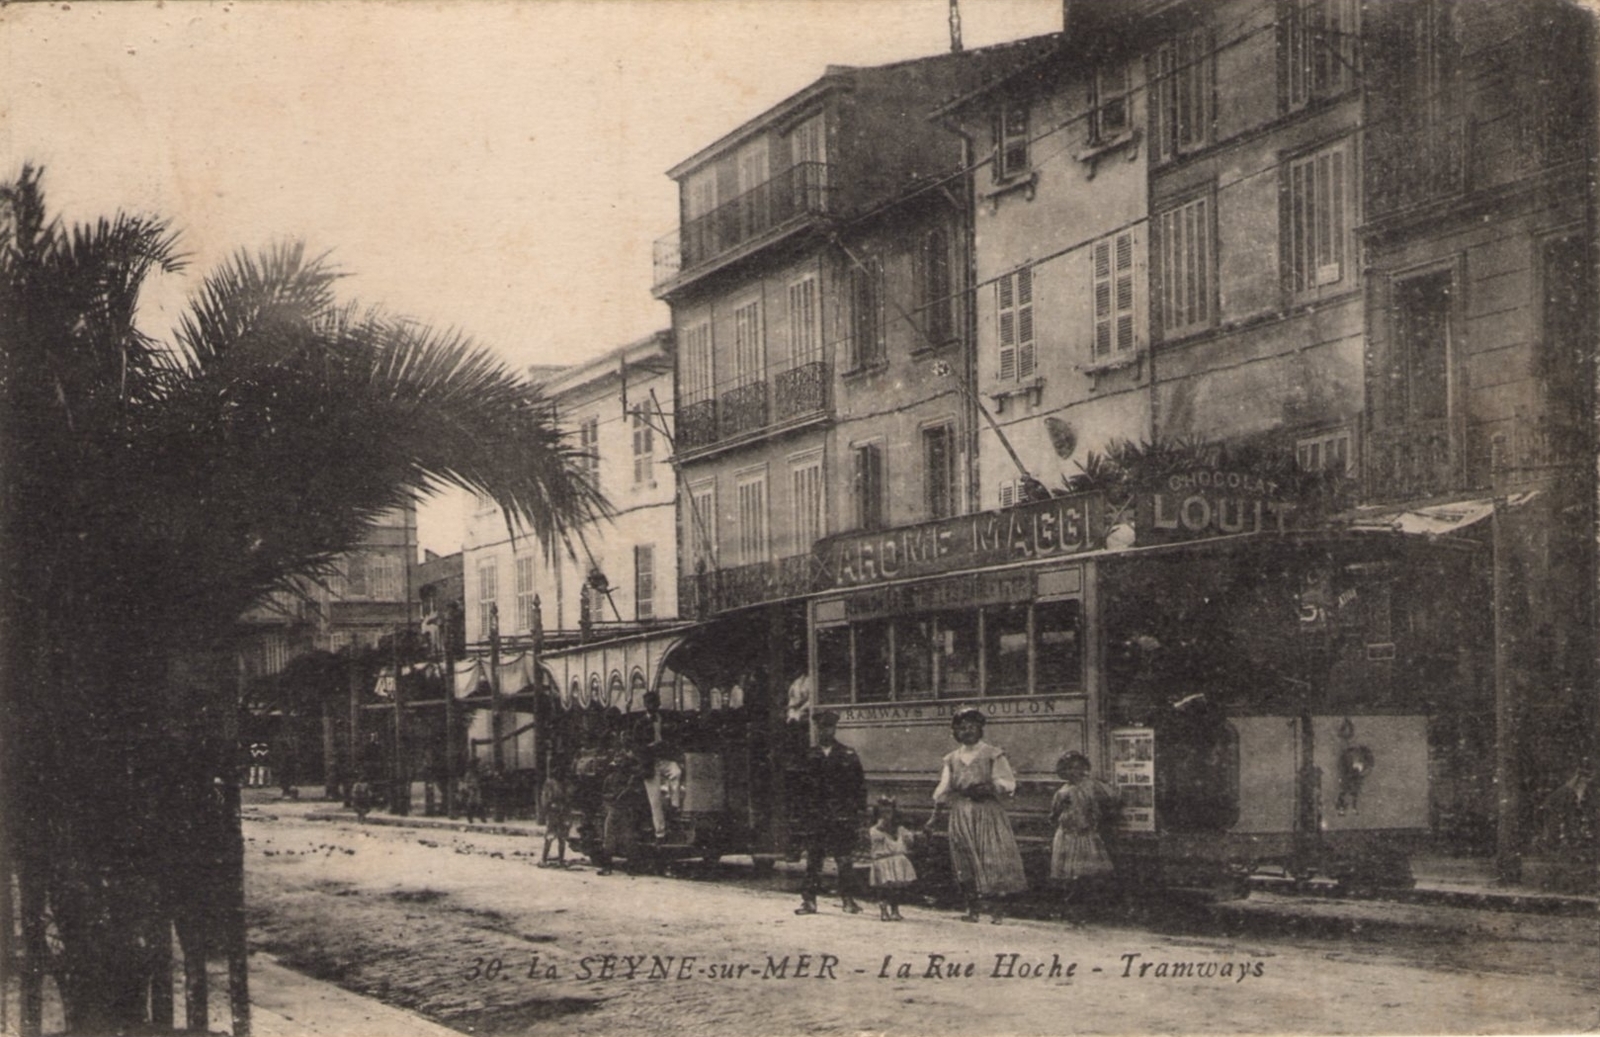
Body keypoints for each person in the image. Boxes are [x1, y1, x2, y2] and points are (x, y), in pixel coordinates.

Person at [924, 707, 1028, 923]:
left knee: (993, 858)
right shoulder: (951, 759)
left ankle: (997, 911)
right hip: (961, 812)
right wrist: (935, 816)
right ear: (955, 732)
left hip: (987, 812)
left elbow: (1008, 783)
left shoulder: (993, 754)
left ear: (981, 728)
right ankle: (972, 910)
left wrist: (990, 787)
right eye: (962, 728)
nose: (967, 731)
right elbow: (944, 789)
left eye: (972, 726)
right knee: (965, 860)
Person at [794, 710, 866, 915]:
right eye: (821, 727)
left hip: (841, 817)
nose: (825, 730)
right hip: (816, 817)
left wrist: (858, 815)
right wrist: (801, 817)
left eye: (829, 727)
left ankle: (848, 900)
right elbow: (799, 790)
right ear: (816, 729)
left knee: (844, 860)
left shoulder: (848, 755)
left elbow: (859, 788)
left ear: (834, 728)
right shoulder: (808, 755)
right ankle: (809, 901)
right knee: (814, 860)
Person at [1049, 750, 1119, 919]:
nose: (1073, 772)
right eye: (1068, 769)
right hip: (1068, 836)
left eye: (1077, 768)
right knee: (1069, 875)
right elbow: (1054, 814)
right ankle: (1071, 907)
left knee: (1086, 874)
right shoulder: (1062, 792)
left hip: (1085, 835)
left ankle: (1085, 906)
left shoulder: (1092, 786)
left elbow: (1111, 798)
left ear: (1084, 769)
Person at [632, 691, 684, 842]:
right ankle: (660, 833)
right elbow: (637, 746)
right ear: (646, 705)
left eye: (655, 703)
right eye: (650, 703)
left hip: (663, 759)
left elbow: (672, 737)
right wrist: (649, 747)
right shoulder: (640, 723)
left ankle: (675, 806)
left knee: (676, 771)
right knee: (655, 800)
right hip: (649, 763)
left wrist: (666, 746)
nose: (653, 706)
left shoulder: (664, 719)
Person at [869, 797, 917, 922]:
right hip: (883, 861)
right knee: (883, 888)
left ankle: (895, 910)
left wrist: (908, 838)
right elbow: (876, 840)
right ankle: (884, 911)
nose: (886, 816)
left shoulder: (900, 829)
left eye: (889, 812)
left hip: (898, 860)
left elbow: (910, 841)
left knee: (897, 888)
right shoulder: (875, 830)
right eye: (882, 813)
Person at [538, 774, 572, 868]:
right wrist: (547, 809)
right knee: (550, 835)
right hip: (553, 812)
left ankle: (560, 860)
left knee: (562, 837)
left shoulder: (565, 783)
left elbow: (569, 797)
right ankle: (544, 859)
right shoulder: (550, 783)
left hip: (563, 811)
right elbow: (545, 798)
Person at [459, 758, 486, 824]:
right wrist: (470, 787)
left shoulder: (477, 773)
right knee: (472, 803)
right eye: (477, 764)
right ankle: (471, 817)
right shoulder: (469, 773)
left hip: (477, 789)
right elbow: (466, 782)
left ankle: (482, 817)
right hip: (472, 790)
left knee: (479, 803)